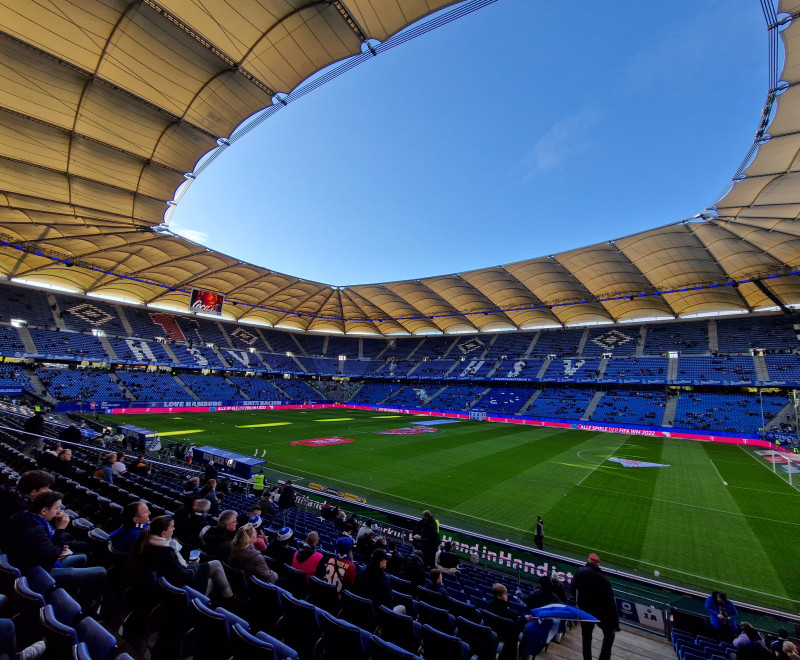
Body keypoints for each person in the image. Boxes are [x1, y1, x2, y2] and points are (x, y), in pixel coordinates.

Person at [6, 491, 106, 600]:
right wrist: (60, 529)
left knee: (82, 558)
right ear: (44, 510)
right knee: (101, 571)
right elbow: (51, 556)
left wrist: (57, 545)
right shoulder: (35, 529)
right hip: (39, 573)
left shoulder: (32, 518)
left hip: (40, 563)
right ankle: (86, 604)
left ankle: (70, 592)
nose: (59, 511)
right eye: (57, 508)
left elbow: (46, 547)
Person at [128, 515, 235, 602]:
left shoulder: (148, 543)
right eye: (172, 527)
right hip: (180, 589)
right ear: (163, 533)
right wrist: (194, 564)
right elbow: (185, 577)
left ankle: (229, 597)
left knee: (216, 563)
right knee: (215, 581)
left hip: (176, 579)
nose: (174, 529)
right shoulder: (166, 552)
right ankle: (228, 601)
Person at [572, 554, 619, 660]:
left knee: (586, 637)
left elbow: (572, 589)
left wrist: (580, 604)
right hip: (601, 613)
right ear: (598, 564)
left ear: (588, 561)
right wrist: (615, 623)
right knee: (609, 635)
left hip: (585, 611)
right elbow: (610, 601)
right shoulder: (603, 579)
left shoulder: (580, 572)